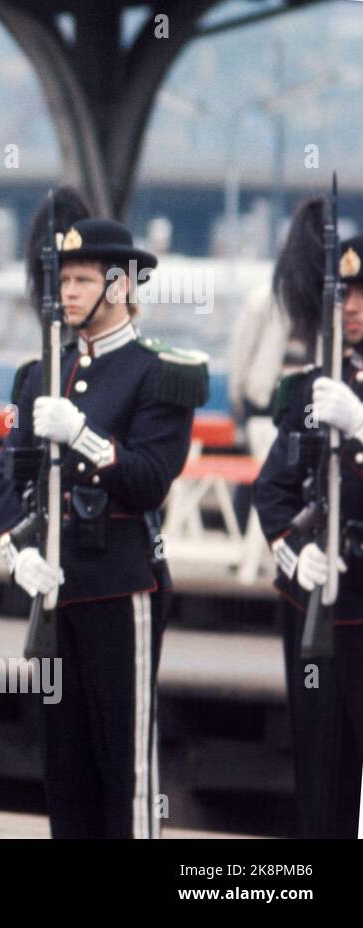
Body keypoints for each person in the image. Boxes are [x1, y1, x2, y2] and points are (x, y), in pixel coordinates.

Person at [0, 214, 208, 839]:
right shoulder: (38, 374)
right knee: (64, 765)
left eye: (84, 279)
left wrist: (82, 436)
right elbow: (7, 478)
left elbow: (147, 480)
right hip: (55, 589)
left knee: (125, 761)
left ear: (120, 286)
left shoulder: (157, 371)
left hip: (119, 586)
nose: (69, 292)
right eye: (64, 279)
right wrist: (15, 553)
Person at [253, 204, 363, 838]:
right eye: (340, 294)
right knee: (319, 785)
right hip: (316, 606)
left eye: (360, 295)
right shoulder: (309, 389)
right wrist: (295, 552)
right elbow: (273, 492)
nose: (348, 307)